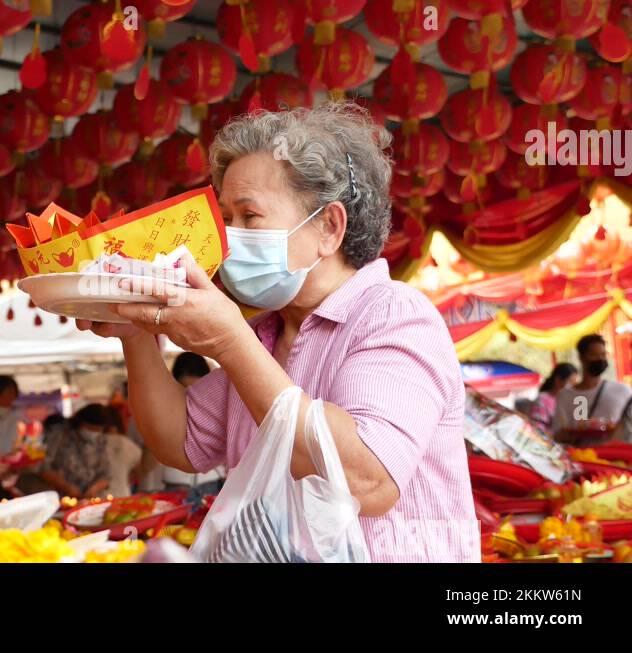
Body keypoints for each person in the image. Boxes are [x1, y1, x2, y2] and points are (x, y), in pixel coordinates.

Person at [78, 103, 476, 562]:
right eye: (226, 218)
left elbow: (367, 480)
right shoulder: (267, 332)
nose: (231, 237)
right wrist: (136, 334)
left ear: (329, 226)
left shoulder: (394, 316)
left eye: (250, 216)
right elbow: (180, 441)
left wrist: (230, 341)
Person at [161, 353, 226, 496]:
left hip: (210, 482)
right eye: (185, 390)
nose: (192, 400)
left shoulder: (221, 400)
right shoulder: (163, 406)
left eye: (199, 391)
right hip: (177, 483)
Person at [553, 335, 632, 443]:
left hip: (616, 456)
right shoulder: (566, 395)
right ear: (581, 358)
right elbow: (557, 434)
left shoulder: (622, 391)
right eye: (594, 355)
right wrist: (575, 433)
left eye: (603, 354)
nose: (600, 359)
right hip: (582, 456)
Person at [33, 404, 111, 499]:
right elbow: (43, 467)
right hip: (59, 498)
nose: (94, 433)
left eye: (97, 430)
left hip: (90, 499)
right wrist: (66, 487)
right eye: (91, 428)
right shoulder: (58, 434)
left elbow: (106, 473)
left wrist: (94, 488)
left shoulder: (100, 440)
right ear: (80, 423)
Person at [103, 405, 142, 498]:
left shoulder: (94, 444)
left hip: (96, 498)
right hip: (123, 495)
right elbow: (137, 473)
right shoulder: (131, 446)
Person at [527, 363, 578, 430]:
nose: (572, 387)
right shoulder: (543, 400)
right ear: (558, 380)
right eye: (570, 382)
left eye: (575, 384)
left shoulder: (567, 402)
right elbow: (538, 428)